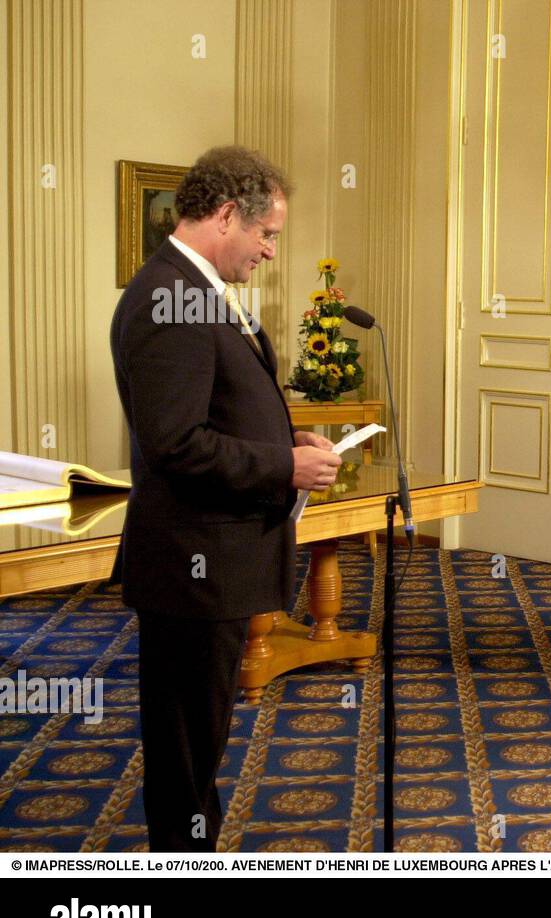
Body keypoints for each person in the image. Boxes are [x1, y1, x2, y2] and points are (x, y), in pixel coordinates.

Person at [109, 146, 341, 850]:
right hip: (191, 563)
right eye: (266, 233)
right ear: (222, 216)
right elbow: (176, 444)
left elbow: (219, 409)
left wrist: (286, 435)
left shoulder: (197, 290)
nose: (271, 251)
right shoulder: (167, 298)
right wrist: (284, 467)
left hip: (212, 559)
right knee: (185, 743)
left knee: (199, 736)